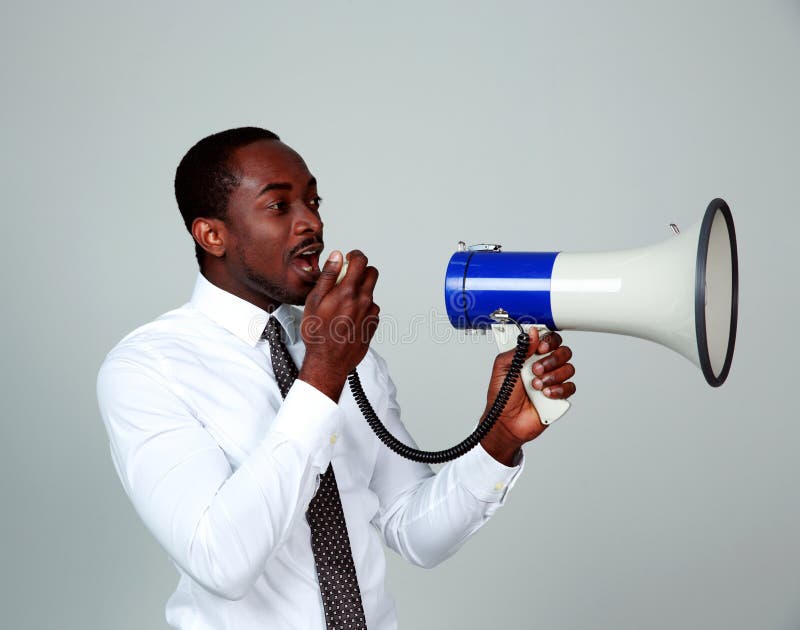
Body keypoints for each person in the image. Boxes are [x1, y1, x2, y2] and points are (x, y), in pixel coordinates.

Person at [96, 127, 577, 630]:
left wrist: (499, 437)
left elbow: (415, 532)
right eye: (279, 207)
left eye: (313, 200)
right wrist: (323, 371)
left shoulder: (344, 350)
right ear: (212, 235)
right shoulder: (148, 369)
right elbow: (222, 561)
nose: (312, 223)